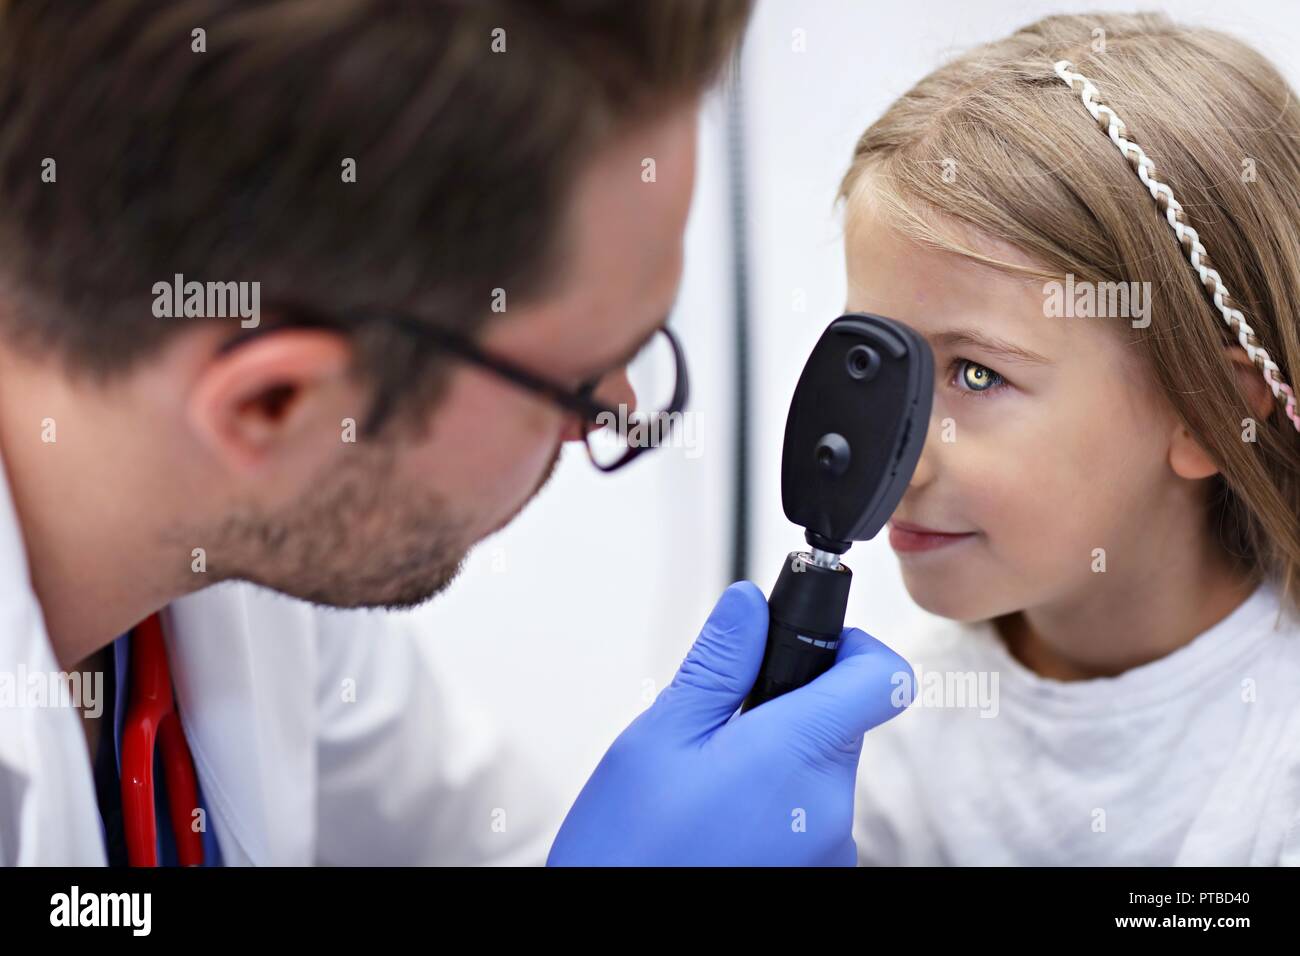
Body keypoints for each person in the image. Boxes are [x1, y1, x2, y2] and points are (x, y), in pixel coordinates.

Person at [0, 0, 911, 866]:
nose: (621, 410)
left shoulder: (250, 554)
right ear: (272, 405)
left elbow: (480, 843)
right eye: (577, 381)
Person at [837, 12, 1300, 865]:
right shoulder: (887, 736)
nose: (895, 453)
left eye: (977, 375)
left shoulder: (1278, 772)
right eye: (879, 365)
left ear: (1208, 413)